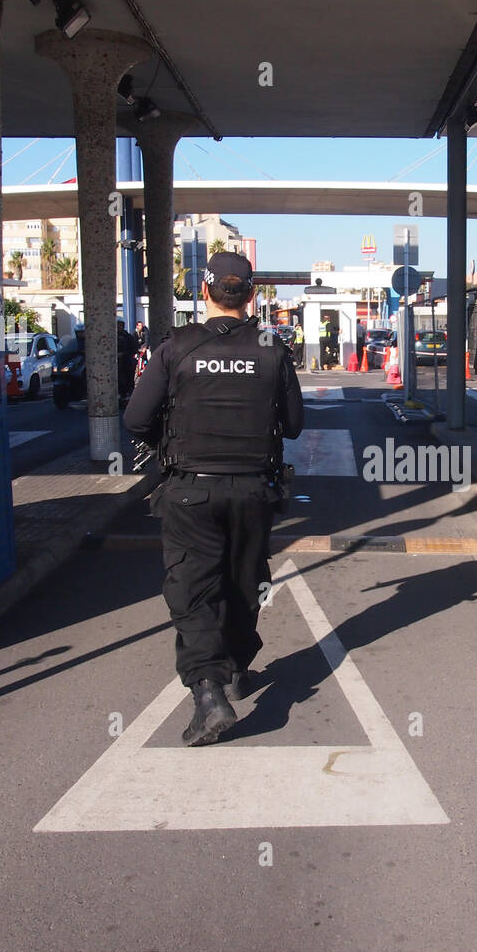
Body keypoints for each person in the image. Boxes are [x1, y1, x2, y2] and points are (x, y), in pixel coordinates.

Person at [124, 251, 304, 746]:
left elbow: (135, 421)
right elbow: (292, 424)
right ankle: (240, 665)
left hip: (190, 491)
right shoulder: (273, 347)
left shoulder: (176, 347)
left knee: (193, 590)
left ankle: (209, 692)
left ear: (204, 293)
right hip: (253, 490)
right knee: (246, 582)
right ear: (251, 295)